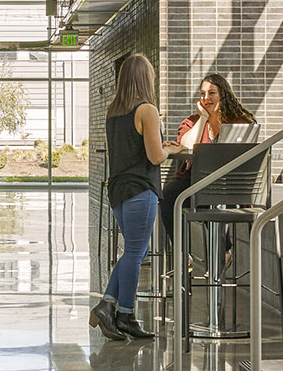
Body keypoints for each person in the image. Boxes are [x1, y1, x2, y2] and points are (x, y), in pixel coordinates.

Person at [93, 53, 165, 343]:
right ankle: (125, 314)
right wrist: (170, 149)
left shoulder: (113, 111)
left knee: (135, 252)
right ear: (145, 78)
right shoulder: (147, 110)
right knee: (135, 253)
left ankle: (108, 306)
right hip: (140, 189)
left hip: (119, 191)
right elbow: (155, 156)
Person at [158, 74, 256, 246]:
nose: (206, 98)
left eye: (212, 93)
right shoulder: (192, 122)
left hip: (230, 185)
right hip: (196, 183)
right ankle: (184, 255)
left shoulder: (239, 122)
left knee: (208, 201)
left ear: (223, 95)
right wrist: (203, 118)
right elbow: (186, 144)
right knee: (168, 195)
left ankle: (223, 253)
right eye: (202, 94)